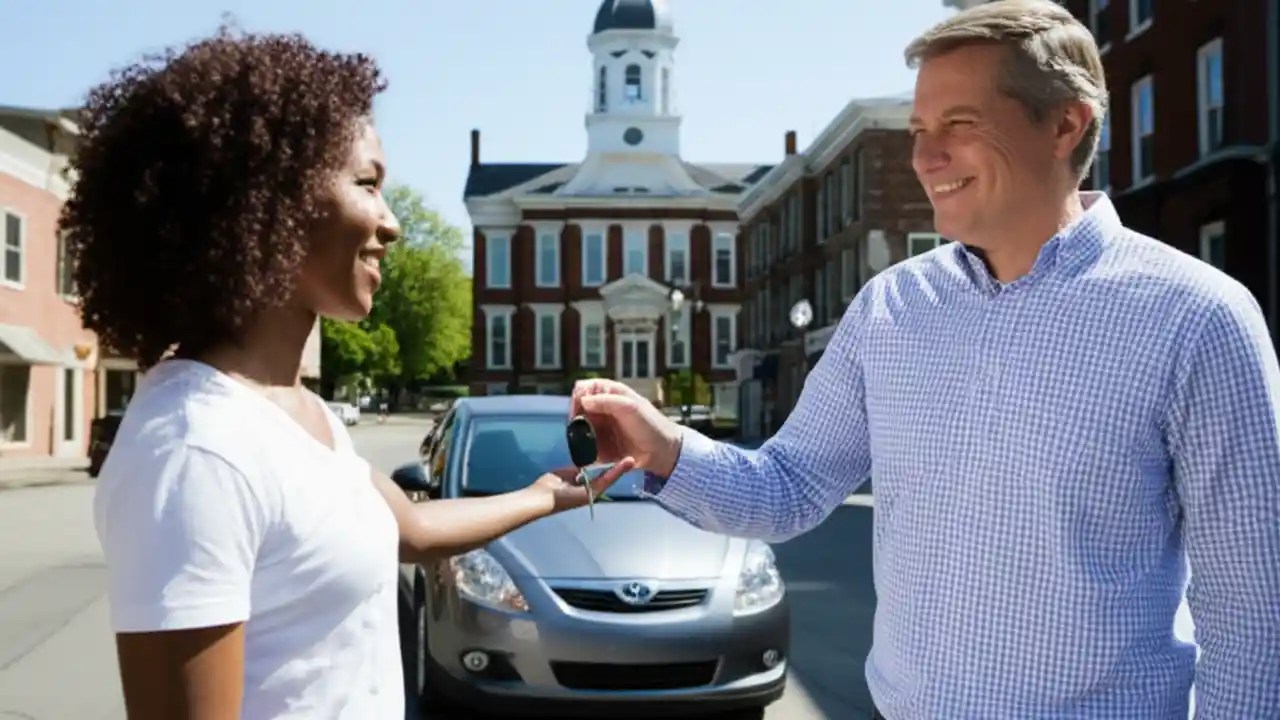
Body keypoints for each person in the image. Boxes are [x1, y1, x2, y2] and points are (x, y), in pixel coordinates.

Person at [571, 1, 1280, 717]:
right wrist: (665, 451)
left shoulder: (1197, 320)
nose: (924, 158)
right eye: (917, 131)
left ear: (1066, 124)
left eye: (959, 126)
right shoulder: (892, 309)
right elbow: (787, 486)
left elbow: (1254, 618)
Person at [64, 26, 634, 719]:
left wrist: (550, 494)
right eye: (368, 184)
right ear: (268, 203)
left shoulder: (296, 412)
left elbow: (411, 533)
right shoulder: (196, 447)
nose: (391, 223)